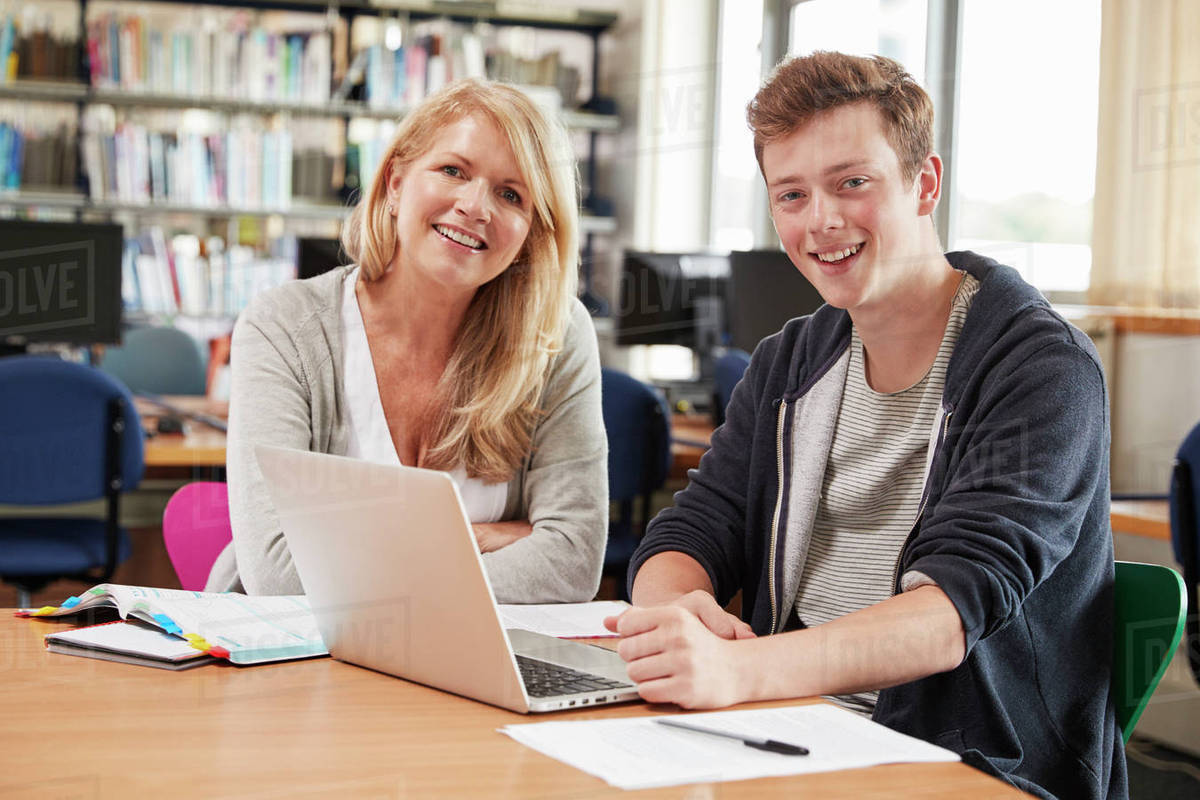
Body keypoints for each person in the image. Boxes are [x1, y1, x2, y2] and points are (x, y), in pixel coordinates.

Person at [605, 52, 1126, 799]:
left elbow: (950, 613)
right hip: (784, 728)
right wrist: (670, 616)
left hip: (969, 767)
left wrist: (739, 668)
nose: (821, 220)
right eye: (791, 194)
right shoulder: (789, 361)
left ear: (925, 184)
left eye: (852, 182)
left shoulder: (1041, 368)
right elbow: (695, 526)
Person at [205, 79, 607, 603]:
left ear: (531, 233)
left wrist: (354, 554)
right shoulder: (284, 326)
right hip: (296, 647)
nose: (475, 206)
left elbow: (573, 560)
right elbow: (279, 572)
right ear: (395, 183)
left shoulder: (555, 334)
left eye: (511, 194)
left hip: (473, 652)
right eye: (453, 171)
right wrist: (489, 541)